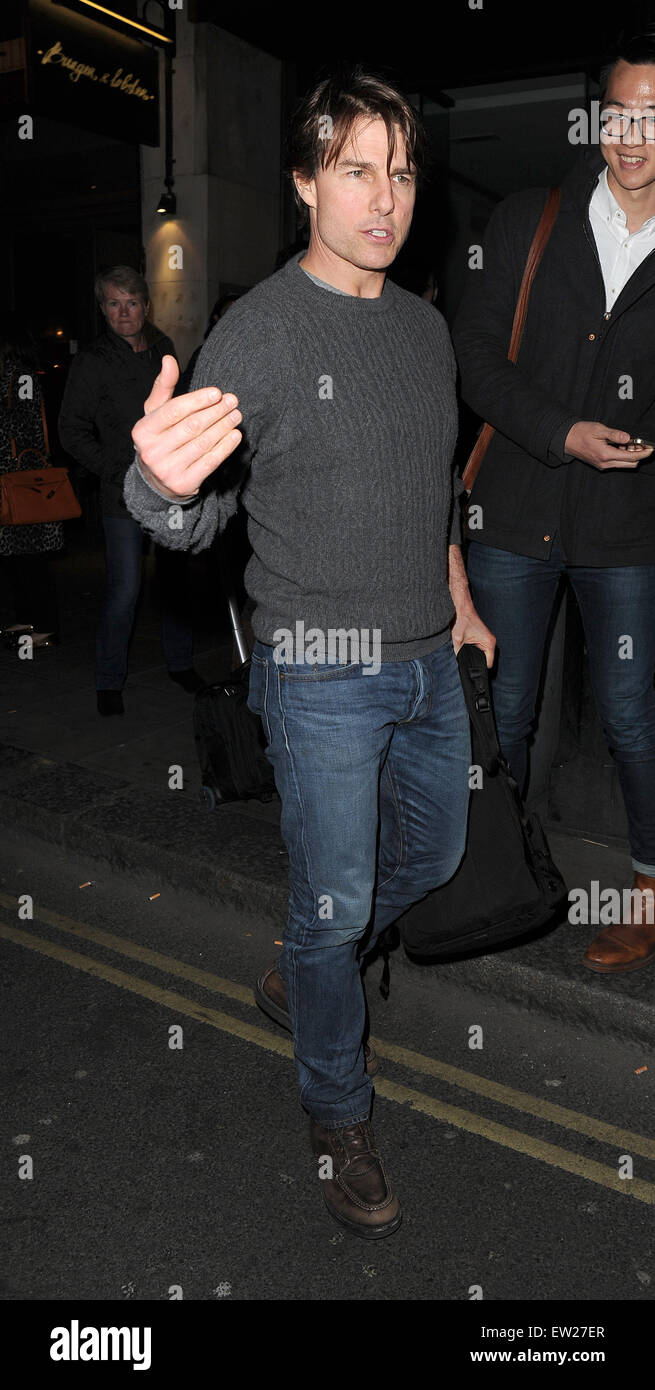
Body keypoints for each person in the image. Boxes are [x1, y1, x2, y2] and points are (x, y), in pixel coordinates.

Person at [124, 67, 495, 1238]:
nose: (382, 198)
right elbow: (196, 504)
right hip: (320, 673)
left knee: (430, 858)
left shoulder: (427, 327)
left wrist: (461, 598)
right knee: (338, 907)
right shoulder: (264, 330)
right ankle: (339, 1113)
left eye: (399, 171)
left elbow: (432, 485)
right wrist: (157, 486)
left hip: (429, 658)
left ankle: (309, 958)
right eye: (353, 170)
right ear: (303, 183)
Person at [453, 32, 655, 975]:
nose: (634, 135)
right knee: (504, 706)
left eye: (653, 118)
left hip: (629, 528)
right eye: (620, 114)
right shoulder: (525, 219)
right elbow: (475, 362)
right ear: (595, 116)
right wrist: (560, 430)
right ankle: (490, 874)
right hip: (514, 513)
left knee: (630, 716)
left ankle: (648, 891)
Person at [58, 266, 201, 715]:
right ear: (103, 310)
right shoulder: (93, 359)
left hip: (169, 490)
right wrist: (114, 470)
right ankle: (108, 680)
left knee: (177, 583)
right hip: (122, 495)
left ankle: (180, 664)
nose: (124, 312)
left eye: (132, 301)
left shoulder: (163, 348)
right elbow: (71, 430)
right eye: (113, 303)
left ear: (146, 305)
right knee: (125, 590)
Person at [0, 315, 62, 649]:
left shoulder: (21, 377)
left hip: (23, 484)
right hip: (13, 483)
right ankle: (28, 616)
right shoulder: (12, 377)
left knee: (30, 559)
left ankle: (46, 626)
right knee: (16, 558)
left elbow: (26, 431)